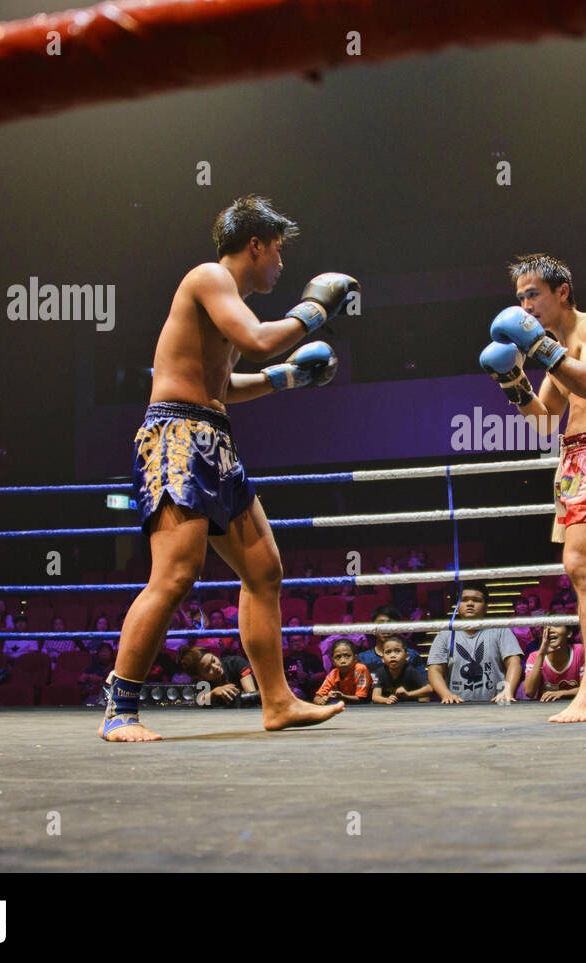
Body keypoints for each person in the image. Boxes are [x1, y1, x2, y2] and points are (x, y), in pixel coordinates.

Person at [97, 195, 356, 741]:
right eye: (278, 251)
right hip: (177, 436)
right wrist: (315, 310)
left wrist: (289, 378)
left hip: (213, 438)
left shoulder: (227, 300)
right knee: (175, 575)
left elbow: (222, 386)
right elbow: (258, 341)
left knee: (265, 571)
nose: (282, 265)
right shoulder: (209, 276)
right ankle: (120, 710)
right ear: (255, 245)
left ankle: (278, 702)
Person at [479, 253, 586, 723]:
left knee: (578, 566)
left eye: (533, 294)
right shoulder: (556, 350)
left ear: (561, 291)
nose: (525, 306)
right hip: (572, 460)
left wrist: (540, 349)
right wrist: (512, 381)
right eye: (519, 298)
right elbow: (545, 422)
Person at [426, 583, 522, 704]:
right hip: (457, 704)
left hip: (496, 703)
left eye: (476, 600)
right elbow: (434, 669)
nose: (470, 604)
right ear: (458, 605)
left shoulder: (500, 630)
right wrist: (446, 695)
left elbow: (514, 662)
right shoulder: (445, 634)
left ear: (486, 606)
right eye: (464, 600)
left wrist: (508, 690)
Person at [176, 644, 257, 706]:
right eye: (208, 669)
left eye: (213, 660)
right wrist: (214, 693)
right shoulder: (204, 682)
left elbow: (252, 696)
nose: (216, 667)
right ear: (200, 676)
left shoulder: (235, 663)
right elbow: (200, 702)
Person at [520, 624, 584, 702]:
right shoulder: (535, 656)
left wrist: (562, 693)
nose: (550, 630)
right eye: (545, 628)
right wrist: (541, 654)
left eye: (556, 625)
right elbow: (529, 692)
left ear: (569, 633)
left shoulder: (581, 652)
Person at [370, 636, 432, 704]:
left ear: (406, 656)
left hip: (409, 706)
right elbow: (375, 697)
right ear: (383, 658)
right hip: (388, 708)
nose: (392, 655)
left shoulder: (410, 671)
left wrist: (408, 694)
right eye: (388, 652)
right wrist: (385, 700)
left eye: (397, 651)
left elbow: (429, 688)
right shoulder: (380, 673)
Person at [315, 639, 373, 705]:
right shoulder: (333, 674)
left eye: (347, 656)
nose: (343, 661)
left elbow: (361, 699)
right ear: (333, 661)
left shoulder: (360, 669)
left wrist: (342, 696)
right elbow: (317, 697)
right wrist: (322, 700)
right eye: (338, 657)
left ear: (355, 658)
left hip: (367, 707)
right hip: (345, 708)